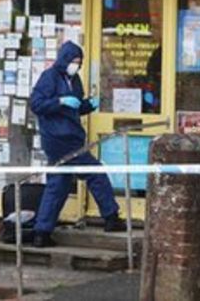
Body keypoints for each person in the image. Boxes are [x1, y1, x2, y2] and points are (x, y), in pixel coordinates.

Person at [30, 41, 123, 247]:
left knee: (58, 185)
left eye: (79, 62)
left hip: (70, 137)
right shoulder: (50, 77)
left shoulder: (75, 79)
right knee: (95, 173)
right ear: (64, 59)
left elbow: (75, 107)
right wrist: (60, 101)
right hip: (59, 139)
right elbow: (36, 104)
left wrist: (87, 105)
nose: (76, 65)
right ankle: (111, 216)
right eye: (73, 61)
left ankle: (41, 232)